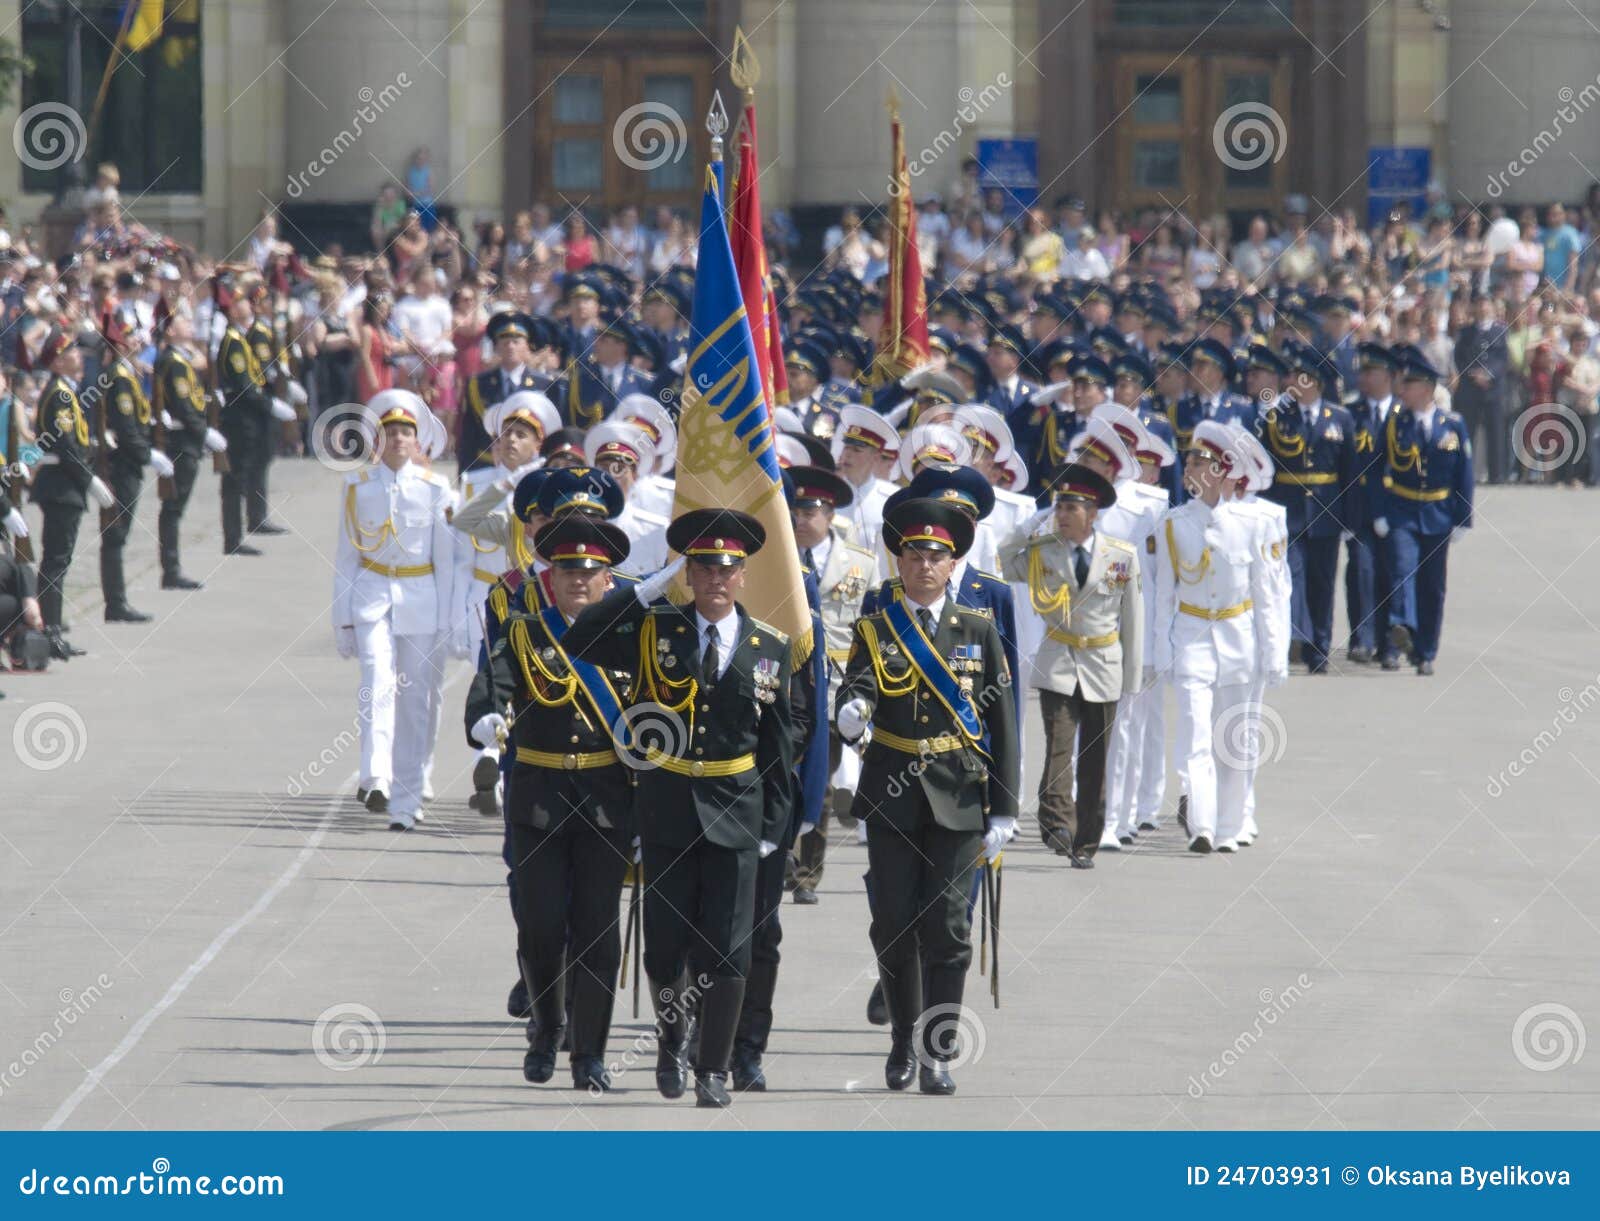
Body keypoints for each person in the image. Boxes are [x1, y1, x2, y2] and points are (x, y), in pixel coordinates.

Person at [561, 509, 794, 1109]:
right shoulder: (654, 629)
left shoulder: (771, 647)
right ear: (686, 573)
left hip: (736, 814)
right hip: (667, 812)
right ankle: (672, 1041)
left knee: (728, 946)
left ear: (743, 574)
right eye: (702, 566)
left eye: (727, 566)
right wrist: (645, 589)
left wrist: (775, 830)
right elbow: (578, 639)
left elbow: (779, 748)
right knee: (665, 948)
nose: (716, 576)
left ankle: (713, 1068)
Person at [835, 497, 1019, 1096]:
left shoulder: (978, 630)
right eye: (913, 555)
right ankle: (901, 1045)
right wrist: (853, 711)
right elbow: (857, 686)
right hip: (892, 797)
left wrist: (1006, 806)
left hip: (959, 798)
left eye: (935, 556)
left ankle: (937, 1052)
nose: (924, 566)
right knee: (892, 925)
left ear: (952, 563)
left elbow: (1003, 721)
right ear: (899, 561)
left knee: (948, 930)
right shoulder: (875, 627)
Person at [465, 513, 636, 1092]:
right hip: (538, 802)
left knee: (596, 932)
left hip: (607, 807)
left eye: (590, 572)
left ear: (608, 577)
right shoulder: (523, 633)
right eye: (567, 571)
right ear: (551, 575)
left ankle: (589, 1055)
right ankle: (546, 1026)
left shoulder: (632, 637)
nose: (578, 581)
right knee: (540, 928)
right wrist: (487, 719)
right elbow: (492, 686)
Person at [999, 463, 1141, 867]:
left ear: (1092, 513)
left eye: (1071, 508)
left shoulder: (1121, 556)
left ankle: (1086, 841)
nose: (1062, 515)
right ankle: (1058, 824)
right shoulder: (1043, 551)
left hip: (1103, 662)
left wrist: (1132, 676)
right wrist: (1033, 523)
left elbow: (1133, 618)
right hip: (1059, 660)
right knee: (1059, 747)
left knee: (1095, 758)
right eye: (1059, 506)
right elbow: (1004, 558)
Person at [1153, 421, 1285, 853]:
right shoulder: (1173, 524)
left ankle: (1231, 825)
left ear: (1221, 468)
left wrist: (1274, 652)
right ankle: (1203, 825)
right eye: (1189, 460)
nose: (1189, 468)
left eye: (1199, 461)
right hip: (1192, 638)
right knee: (1194, 733)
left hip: (1238, 636)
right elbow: (1162, 598)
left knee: (1236, 739)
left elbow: (1266, 595)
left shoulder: (1251, 524)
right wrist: (1159, 653)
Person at [331, 390, 456, 830]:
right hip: (371, 594)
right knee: (376, 680)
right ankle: (376, 776)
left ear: (417, 439)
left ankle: (407, 799)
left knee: (416, 700)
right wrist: (342, 618)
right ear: (377, 439)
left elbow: (446, 561)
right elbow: (346, 557)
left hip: (422, 598)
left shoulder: (436, 489)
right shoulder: (357, 487)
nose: (399, 438)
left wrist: (448, 621)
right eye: (390, 431)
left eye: (406, 431)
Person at [787, 463, 875, 905]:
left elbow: (872, 633)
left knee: (819, 781)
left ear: (830, 513)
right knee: (779, 772)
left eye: (811, 510)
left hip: (832, 686)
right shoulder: (773, 560)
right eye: (796, 510)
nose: (801, 519)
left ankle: (806, 873)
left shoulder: (861, 564)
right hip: (781, 682)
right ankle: (779, 854)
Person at [1255, 340, 1356, 674]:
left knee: (1322, 583)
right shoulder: (1275, 417)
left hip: (1326, 514)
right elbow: (1266, 468)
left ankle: (1319, 648)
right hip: (1289, 511)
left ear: (1315, 382)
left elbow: (1350, 473)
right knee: (1289, 577)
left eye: (1300, 377)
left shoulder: (1340, 418)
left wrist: (1350, 517)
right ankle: (1295, 636)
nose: (1291, 383)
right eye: (1291, 376)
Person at [1372, 351, 1474, 676]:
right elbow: (1377, 470)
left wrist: (1463, 518)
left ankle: (1426, 651)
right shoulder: (1394, 423)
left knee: (1432, 586)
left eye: (1411, 384)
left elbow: (1465, 474)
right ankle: (1402, 624)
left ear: (1428, 388)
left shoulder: (1453, 425)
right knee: (1402, 570)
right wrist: (1379, 512)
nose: (1403, 390)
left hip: (1438, 513)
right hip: (1402, 511)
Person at [29, 328, 112, 657]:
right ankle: (49, 631)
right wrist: (90, 480)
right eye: (71, 353)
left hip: (65, 485)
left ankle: (53, 627)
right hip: (62, 486)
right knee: (55, 562)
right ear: (59, 361)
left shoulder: (64, 391)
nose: (78, 356)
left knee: (59, 562)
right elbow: (65, 446)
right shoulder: (60, 394)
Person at [96, 307, 171, 623]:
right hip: (122, 465)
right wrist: (147, 454)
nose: (135, 340)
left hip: (126, 463)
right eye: (128, 336)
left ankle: (117, 601)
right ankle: (116, 603)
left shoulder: (126, 374)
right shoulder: (121, 379)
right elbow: (126, 429)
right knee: (116, 534)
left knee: (118, 534)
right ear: (119, 345)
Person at [1344, 342, 1397, 664]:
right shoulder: (1351, 414)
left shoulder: (1402, 414)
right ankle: (1361, 639)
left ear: (1388, 376)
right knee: (1361, 571)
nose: (1363, 378)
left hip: (1396, 510)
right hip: (1360, 509)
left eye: (1370, 371)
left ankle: (1389, 643)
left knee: (1392, 574)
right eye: (1361, 371)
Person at [460, 311, 542, 472]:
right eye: (504, 341)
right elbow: (469, 434)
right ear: (496, 347)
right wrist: (464, 472)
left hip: (531, 468)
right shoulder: (477, 384)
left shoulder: (544, 384)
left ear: (527, 346)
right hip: (487, 467)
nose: (510, 346)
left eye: (516, 341)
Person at [1453, 292, 1510, 485]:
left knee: (1495, 432)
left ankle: (1497, 474)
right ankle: (1465, 473)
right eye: (1479, 305)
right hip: (1470, 388)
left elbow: (1503, 359)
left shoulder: (1500, 331)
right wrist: (1473, 374)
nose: (1483, 309)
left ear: (1492, 308)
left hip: (1493, 389)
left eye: (1486, 305)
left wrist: (1489, 374)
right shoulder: (1466, 332)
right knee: (1468, 432)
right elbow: (1460, 357)